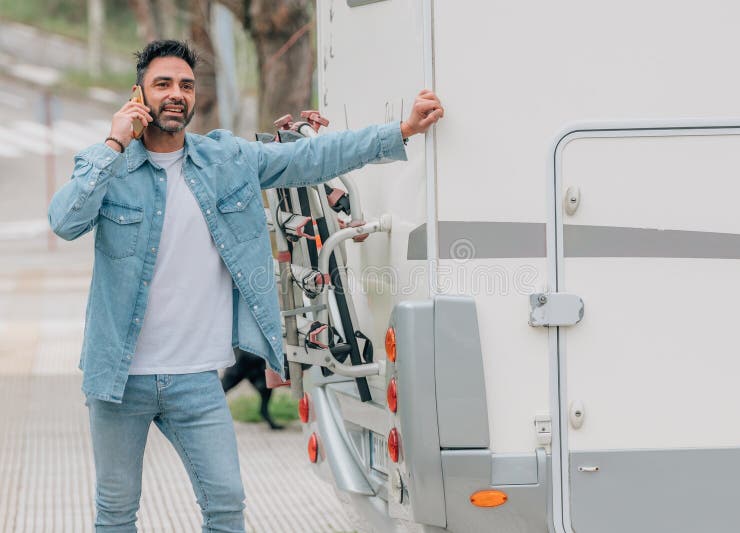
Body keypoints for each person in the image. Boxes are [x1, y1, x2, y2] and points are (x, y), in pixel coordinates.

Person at [47, 39, 443, 533]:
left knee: (226, 507)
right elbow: (64, 221)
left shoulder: (226, 159)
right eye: (163, 84)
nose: (176, 94)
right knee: (116, 511)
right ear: (138, 95)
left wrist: (401, 130)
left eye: (186, 85)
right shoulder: (110, 165)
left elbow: (312, 156)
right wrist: (113, 143)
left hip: (196, 379)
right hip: (118, 379)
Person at [221, 347, 283, 430]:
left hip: (256, 359)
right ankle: (209, 415)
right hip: (243, 358)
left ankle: (264, 412)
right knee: (221, 390)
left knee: (266, 388)